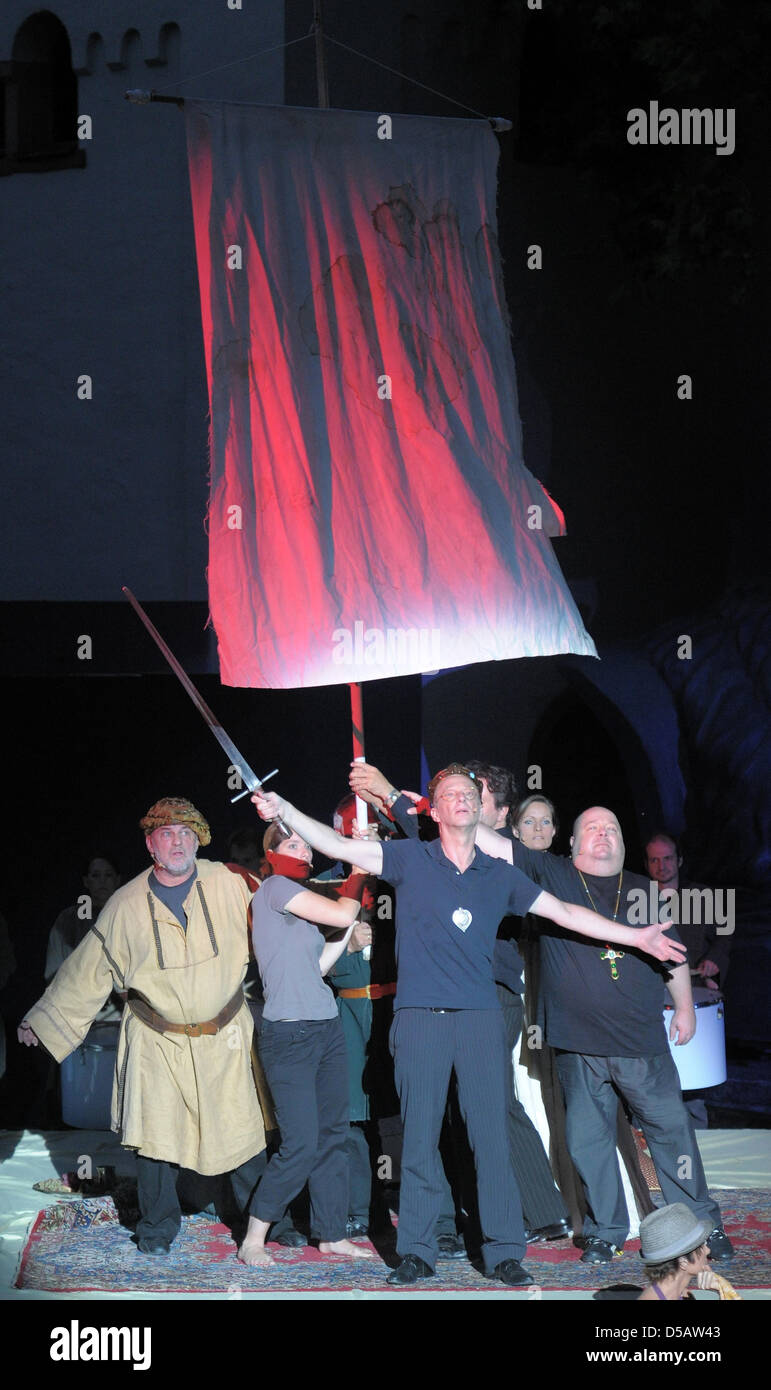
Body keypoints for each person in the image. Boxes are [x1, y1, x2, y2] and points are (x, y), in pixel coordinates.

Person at [252, 768, 686, 1287]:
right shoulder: (409, 858)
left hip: (481, 1020)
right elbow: (338, 845)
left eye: (468, 794)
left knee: (490, 1138)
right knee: (418, 1140)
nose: (460, 800)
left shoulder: (499, 874)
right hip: (419, 1022)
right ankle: (416, 1251)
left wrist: (636, 938)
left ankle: (503, 1250)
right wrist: (285, 811)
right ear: (432, 811)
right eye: (447, 795)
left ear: (481, 811)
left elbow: (567, 912)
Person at [472, 806, 735, 1264]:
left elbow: (672, 956)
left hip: (640, 1043)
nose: (602, 835)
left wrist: (687, 1008)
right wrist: (446, 801)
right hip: (578, 1045)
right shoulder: (551, 872)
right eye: (591, 828)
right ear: (570, 845)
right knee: (589, 1144)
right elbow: (488, 841)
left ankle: (701, 1224)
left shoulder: (644, 891)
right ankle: (605, 1231)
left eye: (611, 828)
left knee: (673, 1138)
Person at [18, 797, 271, 1258]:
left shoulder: (231, 882)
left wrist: (344, 929)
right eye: (167, 835)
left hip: (226, 1035)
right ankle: (157, 1228)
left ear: (199, 840)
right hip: (156, 1039)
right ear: (151, 844)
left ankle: (267, 1221)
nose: (178, 842)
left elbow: (283, 913)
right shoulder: (125, 903)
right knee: (155, 1139)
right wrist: (45, 1019)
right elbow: (89, 968)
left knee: (243, 1134)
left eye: (186, 834)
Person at [240, 821, 375, 1267]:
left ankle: (332, 1233)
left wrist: (346, 933)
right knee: (300, 1142)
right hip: (289, 1036)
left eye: (305, 844)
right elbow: (340, 913)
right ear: (273, 850)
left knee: (333, 1136)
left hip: (326, 1028)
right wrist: (358, 870)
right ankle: (253, 1238)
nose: (303, 849)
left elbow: (318, 965)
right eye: (293, 841)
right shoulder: (275, 888)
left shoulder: (296, 902)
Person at [644, 832, 732, 991]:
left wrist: (714, 959)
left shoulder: (704, 895)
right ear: (647, 864)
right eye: (654, 860)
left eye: (667, 858)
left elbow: (725, 934)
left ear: (679, 860)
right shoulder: (637, 902)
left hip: (697, 988)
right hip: (652, 991)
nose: (661, 866)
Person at [637, 1204, 741, 1301]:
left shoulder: (680, 1294)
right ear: (683, 1262)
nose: (708, 1250)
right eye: (701, 1246)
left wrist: (721, 1290)